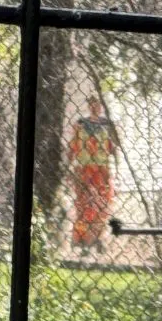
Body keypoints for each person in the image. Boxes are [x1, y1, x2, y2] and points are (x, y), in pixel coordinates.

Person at [68, 97, 115, 255]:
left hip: (102, 172)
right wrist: (69, 168)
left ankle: (99, 239)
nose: (96, 107)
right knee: (84, 206)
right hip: (84, 170)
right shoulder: (80, 125)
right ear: (89, 106)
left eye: (98, 104)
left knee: (101, 206)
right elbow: (72, 147)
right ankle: (83, 241)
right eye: (92, 104)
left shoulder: (108, 125)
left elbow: (114, 149)